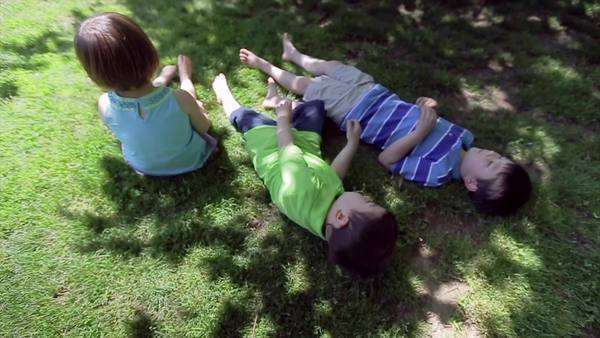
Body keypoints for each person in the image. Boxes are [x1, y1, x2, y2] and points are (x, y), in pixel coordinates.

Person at [238, 34, 532, 215]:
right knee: (332, 67)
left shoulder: (438, 171)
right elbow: (423, 114)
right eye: (499, 156)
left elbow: (387, 159)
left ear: (470, 183)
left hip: (356, 110)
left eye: (491, 165)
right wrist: (425, 105)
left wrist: (421, 132)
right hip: (376, 93)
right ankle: (295, 55)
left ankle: (263, 65)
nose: (492, 154)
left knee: (307, 85)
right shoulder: (464, 137)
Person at [212, 73, 397, 277]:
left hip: (272, 145)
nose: (368, 198)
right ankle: (274, 101)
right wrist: (351, 144)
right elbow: (333, 177)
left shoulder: (301, 189)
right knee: (315, 106)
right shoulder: (333, 215)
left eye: (369, 203)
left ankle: (224, 94)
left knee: (244, 116)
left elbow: (286, 146)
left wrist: (283, 118)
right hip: (306, 150)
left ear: (342, 217)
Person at [75, 13, 216, 176]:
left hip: (144, 167)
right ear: (149, 53)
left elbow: (141, 104)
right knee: (190, 103)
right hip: (191, 160)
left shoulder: (104, 105)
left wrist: (162, 79)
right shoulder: (180, 98)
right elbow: (204, 127)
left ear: (95, 75)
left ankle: (164, 77)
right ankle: (186, 76)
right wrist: (187, 85)